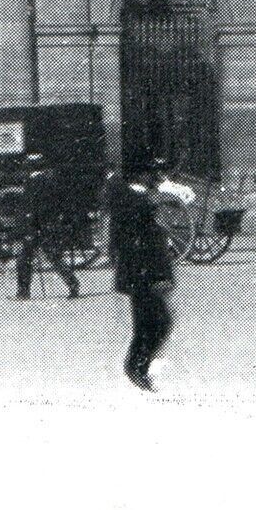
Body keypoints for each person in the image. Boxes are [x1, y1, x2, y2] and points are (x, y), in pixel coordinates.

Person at [107, 163, 175, 391]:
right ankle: (137, 367)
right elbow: (150, 242)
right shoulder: (136, 203)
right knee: (156, 323)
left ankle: (137, 366)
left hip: (139, 272)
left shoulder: (130, 202)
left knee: (151, 323)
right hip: (143, 272)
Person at [15, 152, 80, 300]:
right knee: (53, 256)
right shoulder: (48, 179)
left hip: (35, 225)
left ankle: (23, 291)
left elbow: (31, 206)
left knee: (24, 258)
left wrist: (28, 224)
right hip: (48, 223)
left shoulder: (32, 180)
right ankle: (72, 283)